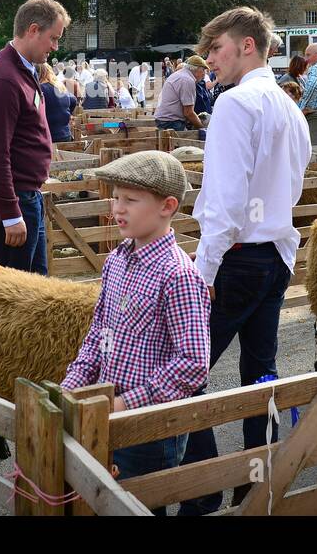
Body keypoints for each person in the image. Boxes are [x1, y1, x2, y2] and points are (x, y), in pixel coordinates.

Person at [178, 7, 312, 515]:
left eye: (217, 48)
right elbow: (294, 183)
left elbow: (228, 202)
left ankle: (205, 488)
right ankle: (259, 484)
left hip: (235, 258)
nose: (210, 59)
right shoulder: (288, 107)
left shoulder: (236, 104)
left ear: (247, 45)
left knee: (186, 369)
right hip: (275, 254)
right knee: (261, 372)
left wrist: (202, 270)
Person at [60, 150, 210, 513]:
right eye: (115, 197)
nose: (117, 209)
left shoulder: (179, 275)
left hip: (150, 428)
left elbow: (193, 363)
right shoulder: (115, 261)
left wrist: (126, 403)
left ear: (167, 206)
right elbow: (99, 333)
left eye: (130, 200)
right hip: (106, 413)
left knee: (137, 506)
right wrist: (69, 388)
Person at [0, 0, 68, 281]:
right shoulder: (4, 78)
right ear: (34, 30)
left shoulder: (21, 70)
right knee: (15, 296)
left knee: (35, 288)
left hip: (24, 193)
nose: (55, 47)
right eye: (53, 38)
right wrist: (10, 212)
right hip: (12, 197)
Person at [154, 56, 207, 132]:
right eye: (203, 70)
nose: (204, 74)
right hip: (170, 122)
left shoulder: (181, 75)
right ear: (196, 68)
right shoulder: (187, 80)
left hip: (164, 120)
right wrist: (202, 128)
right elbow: (188, 113)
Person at [39, 62, 78, 142]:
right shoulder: (59, 86)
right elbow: (73, 99)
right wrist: (67, 112)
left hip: (49, 137)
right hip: (65, 134)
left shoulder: (40, 88)